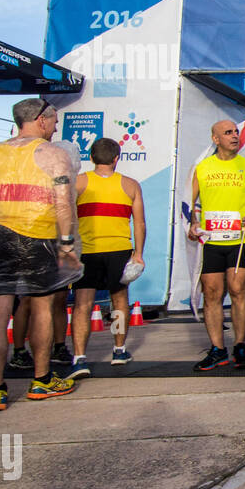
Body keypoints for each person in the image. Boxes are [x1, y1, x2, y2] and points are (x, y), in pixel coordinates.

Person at [0, 98, 82, 410]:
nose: (55, 128)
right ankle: (41, 381)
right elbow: (63, 202)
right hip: (38, 235)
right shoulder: (54, 154)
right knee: (42, 307)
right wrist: (67, 245)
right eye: (54, 122)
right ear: (42, 120)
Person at [68, 136, 145, 377]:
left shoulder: (78, 183)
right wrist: (139, 254)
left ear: (90, 158)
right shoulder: (131, 185)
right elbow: (140, 223)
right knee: (120, 302)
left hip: (87, 251)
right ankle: (119, 350)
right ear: (116, 158)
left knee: (82, 304)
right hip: (119, 250)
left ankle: (80, 358)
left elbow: (66, 218)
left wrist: (67, 249)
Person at [188, 120, 245, 372]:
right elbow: (188, 202)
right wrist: (192, 223)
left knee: (238, 289)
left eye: (236, 132)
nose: (235, 136)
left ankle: (240, 344)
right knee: (212, 293)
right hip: (211, 241)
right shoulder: (202, 167)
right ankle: (218, 349)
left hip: (240, 240)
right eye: (228, 133)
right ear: (215, 139)